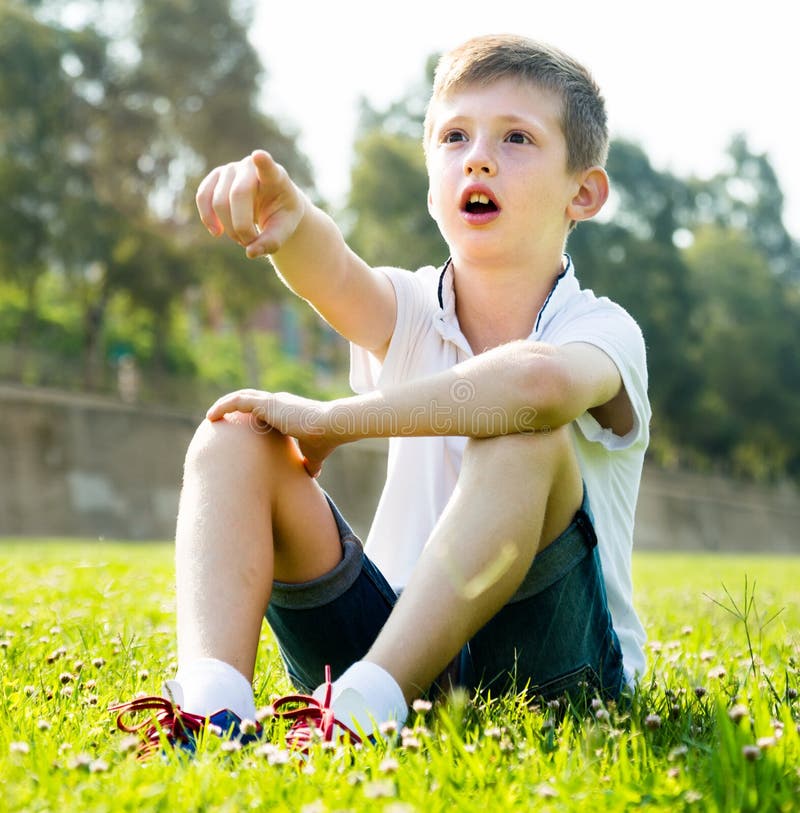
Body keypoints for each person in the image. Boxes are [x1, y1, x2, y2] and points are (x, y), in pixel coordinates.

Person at [112, 33, 649, 755]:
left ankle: (366, 705)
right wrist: (291, 214)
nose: (479, 156)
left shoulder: (599, 326)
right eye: (455, 136)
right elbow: (333, 271)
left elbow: (536, 386)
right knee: (236, 430)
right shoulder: (410, 310)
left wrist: (337, 420)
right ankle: (213, 709)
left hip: (553, 665)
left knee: (524, 429)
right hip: (392, 643)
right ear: (433, 186)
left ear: (582, 191)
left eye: (517, 137)